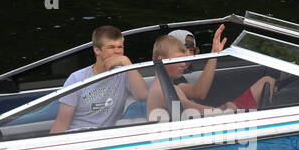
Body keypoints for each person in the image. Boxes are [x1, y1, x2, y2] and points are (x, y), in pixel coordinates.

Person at [147, 25, 277, 119]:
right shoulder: (162, 90)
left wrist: (225, 108)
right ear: (162, 60)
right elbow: (191, 106)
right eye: (179, 58)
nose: (184, 62)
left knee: (267, 81)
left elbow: (197, 98)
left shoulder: (170, 86)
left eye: (190, 52)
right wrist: (225, 111)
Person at [51, 25, 150, 133]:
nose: (117, 52)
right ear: (97, 50)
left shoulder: (124, 73)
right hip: (78, 137)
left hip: (107, 138)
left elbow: (143, 95)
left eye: (120, 47)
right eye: (111, 47)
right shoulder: (77, 78)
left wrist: (127, 62)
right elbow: (61, 123)